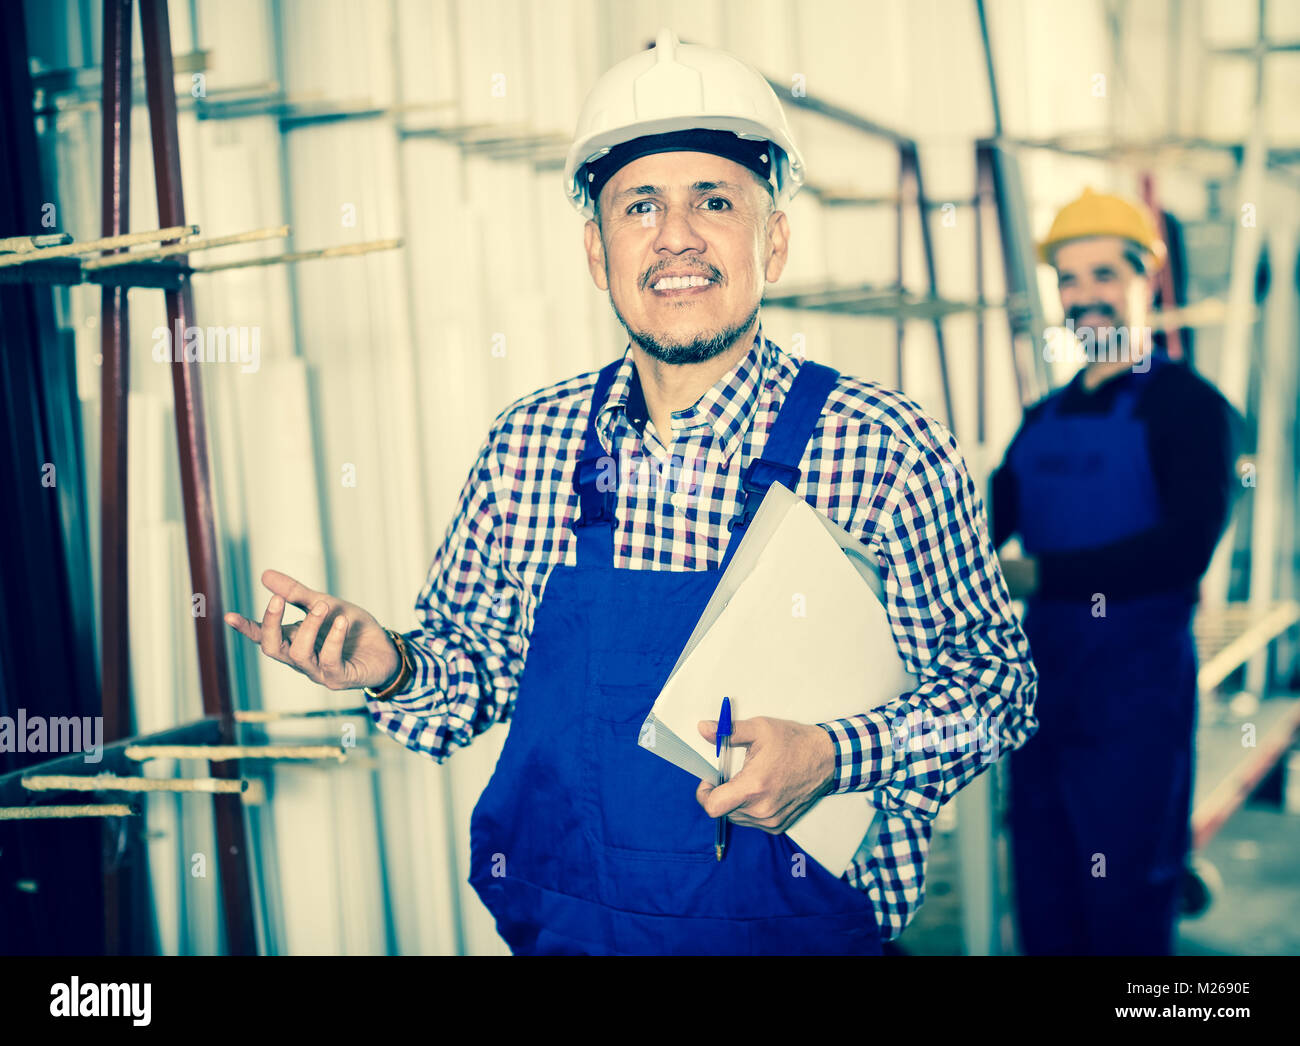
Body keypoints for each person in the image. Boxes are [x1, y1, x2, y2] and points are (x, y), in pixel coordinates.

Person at [226, 28, 1038, 955]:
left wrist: (832, 755)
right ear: (596, 251)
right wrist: (392, 666)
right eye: (640, 206)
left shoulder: (885, 448)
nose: (676, 237)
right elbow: (476, 675)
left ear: (772, 242)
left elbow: (998, 688)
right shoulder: (528, 447)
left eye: (714, 201)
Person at [991, 188, 1241, 956]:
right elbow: (981, 522)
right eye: (1068, 280)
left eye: (1103, 274)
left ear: (1145, 282)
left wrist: (1036, 578)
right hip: (1041, 698)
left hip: (1134, 703)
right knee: (1044, 890)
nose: (1084, 297)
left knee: (1125, 900)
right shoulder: (1042, 419)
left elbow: (1181, 549)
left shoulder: (1192, 411)